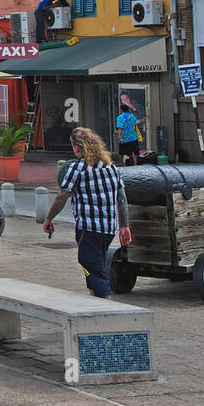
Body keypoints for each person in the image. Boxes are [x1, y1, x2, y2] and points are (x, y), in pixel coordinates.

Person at [43, 127, 132, 299]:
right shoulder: (111, 168)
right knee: (93, 267)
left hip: (88, 229)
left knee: (90, 266)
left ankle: (107, 307)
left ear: (77, 147)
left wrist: (49, 218)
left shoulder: (78, 169)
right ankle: (94, 301)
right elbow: (121, 199)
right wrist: (124, 226)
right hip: (108, 230)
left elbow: (62, 196)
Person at [115, 101, 142, 165]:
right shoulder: (132, 116)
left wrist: (119, 137)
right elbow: (138, 122)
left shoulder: (119, 117)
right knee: (134, 152)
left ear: (121, 110)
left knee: (121, 152)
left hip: (124, 137)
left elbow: (120, 128)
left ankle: (121, 164)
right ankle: (135, 164)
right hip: (133, 137)